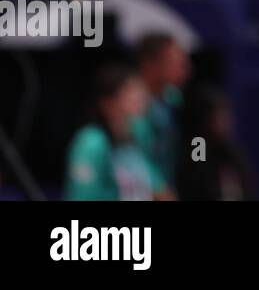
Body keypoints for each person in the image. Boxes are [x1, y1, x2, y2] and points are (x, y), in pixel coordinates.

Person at [65, 64, 170, 200]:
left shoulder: (138, 133)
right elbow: (81, 196)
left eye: (141, 92)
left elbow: (158, 187)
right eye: (130, 92)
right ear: (108, 103)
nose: (141, 98)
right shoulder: (90, 142)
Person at [132, 32, 192, 190]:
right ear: (149, 65)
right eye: (175, 63)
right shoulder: (128, 104)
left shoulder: (175, 100)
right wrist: (158, 188)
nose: (185, 70)